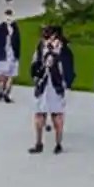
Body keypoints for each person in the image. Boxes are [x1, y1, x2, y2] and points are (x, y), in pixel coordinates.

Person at [29, 26, 72, 154]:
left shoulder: (64, 51)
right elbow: (34, 65)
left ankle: (58, 143)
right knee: (39, 114)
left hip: (56, 86)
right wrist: (36, 76)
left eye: (48, 37)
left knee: (57, 115)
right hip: (43, 85)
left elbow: (68, 69)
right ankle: (38, 143)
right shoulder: (41, 48)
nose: (46, 39)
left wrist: (65, 83)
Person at [0, 7, 22, 103]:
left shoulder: (5, 28)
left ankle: (4, 91)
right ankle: (4, 92)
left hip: (7, 54)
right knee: (7, 74)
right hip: (7, 53)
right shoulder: (8, 28)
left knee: (6, 74)